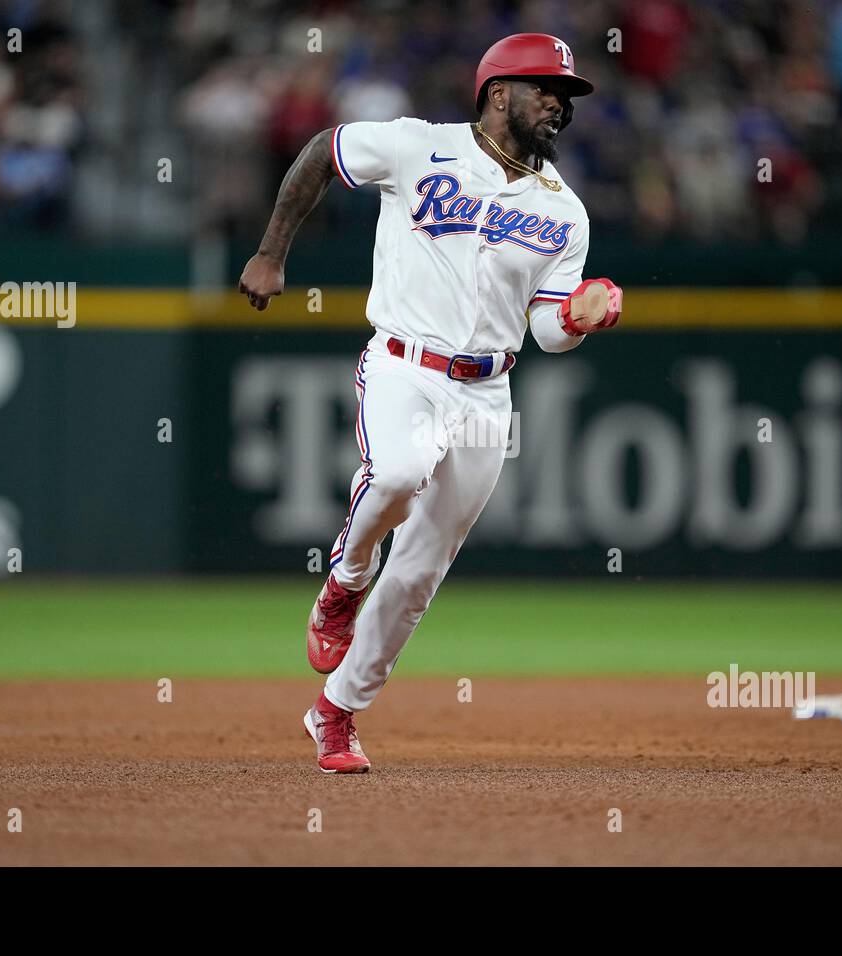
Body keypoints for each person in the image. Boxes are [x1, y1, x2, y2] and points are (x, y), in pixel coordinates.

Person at [238, 33, 623, 773]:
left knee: (418, 573)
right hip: (404, 364)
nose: (559, 105)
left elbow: (544, 330)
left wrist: (576, 318)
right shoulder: (419, 147)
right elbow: (323, 149)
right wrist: (273, 249)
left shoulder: (565, 211)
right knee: (396, 473)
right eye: (546, 88)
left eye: (566, 95)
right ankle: (344, 585)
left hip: (487, 390)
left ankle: (336, 713)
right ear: (496, 91)